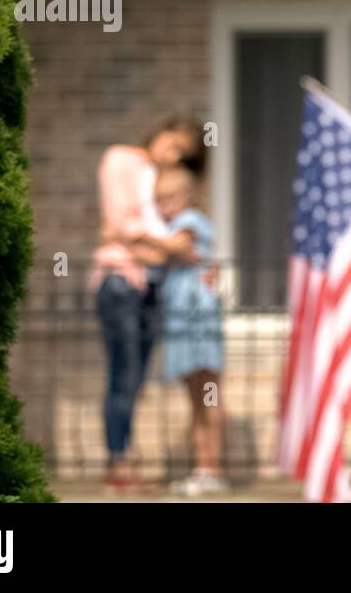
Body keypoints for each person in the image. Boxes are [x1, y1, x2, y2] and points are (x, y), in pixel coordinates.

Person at [91, 118, 206, 494]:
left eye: (182, 156)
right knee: (122, 375)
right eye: (174, 145)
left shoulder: (161, 182)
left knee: (137, 379)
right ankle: (117, 462)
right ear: (161, 131)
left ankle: (126, 458)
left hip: (152, 285)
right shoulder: (121, 160)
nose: (172, 157)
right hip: (122, 280)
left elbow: (153, 236)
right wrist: (168, 246)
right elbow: (118, 225)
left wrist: (161, 247)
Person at [136, 165, 228, 497]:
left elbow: (170, 248)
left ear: (189, 197)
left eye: (170, 198)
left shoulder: (189, 223)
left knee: (208, 396)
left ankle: (211, 468)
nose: (164, 206)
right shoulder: (174, 227)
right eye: (159, 200)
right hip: (182, 321)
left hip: (197, 319)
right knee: (196, 400)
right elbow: (164, 252)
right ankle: (202, 468)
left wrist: (129, 236)